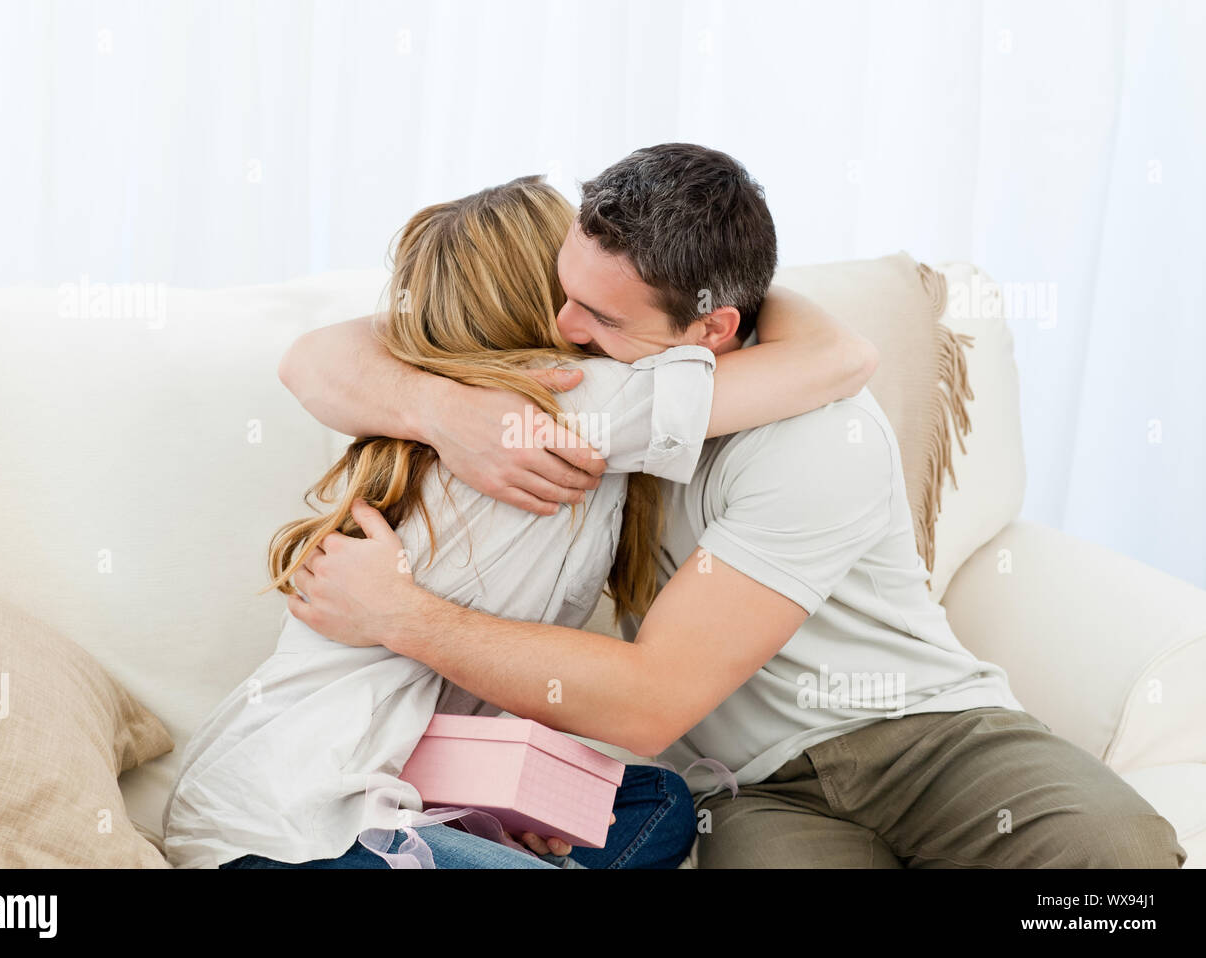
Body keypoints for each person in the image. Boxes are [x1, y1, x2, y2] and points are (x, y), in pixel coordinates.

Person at [282, 142, 1187, 869]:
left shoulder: (811, 433)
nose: (561, 330)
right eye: (565, 293)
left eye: (601, 316)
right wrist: (444, 406)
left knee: (1117, 859)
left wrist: (400, 614)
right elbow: (316, 359)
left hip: (926, 735)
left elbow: (648, 703)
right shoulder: (584, 392)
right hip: (749, 786)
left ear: (712, 331)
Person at [162, 172, 879, 870]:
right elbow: (839, 359)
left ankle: (471, 838)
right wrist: (737, 281)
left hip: (350, 783)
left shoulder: (468, 401)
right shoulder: (576, 401)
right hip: (297, 825)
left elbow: (314, 356)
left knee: (657, 802)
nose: (582, 312)